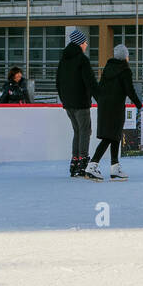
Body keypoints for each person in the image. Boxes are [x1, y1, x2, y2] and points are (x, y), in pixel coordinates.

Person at [88, 44, 141, 180]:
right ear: (124, 56)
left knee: (114, 136)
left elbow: (99, 87)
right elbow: (129, 90)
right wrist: (138, 104)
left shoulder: (107, 68)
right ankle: (92, 165)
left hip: (105, 106)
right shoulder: (125, 71)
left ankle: (114, 167)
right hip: (116, 106)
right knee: (109, 137)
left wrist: (101, 100)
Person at [56, 28, 98, 178]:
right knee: (85, 131)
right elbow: (90, 82)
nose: (86, 45)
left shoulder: (63, 60)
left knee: (78, 131)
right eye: (85, 42)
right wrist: (100, 100)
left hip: (68, 103)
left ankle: (74, 161)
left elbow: (58, 81)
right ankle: (82, 161)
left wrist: (64, 99)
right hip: (81, 102)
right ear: (80, 43)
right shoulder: (82, 60)